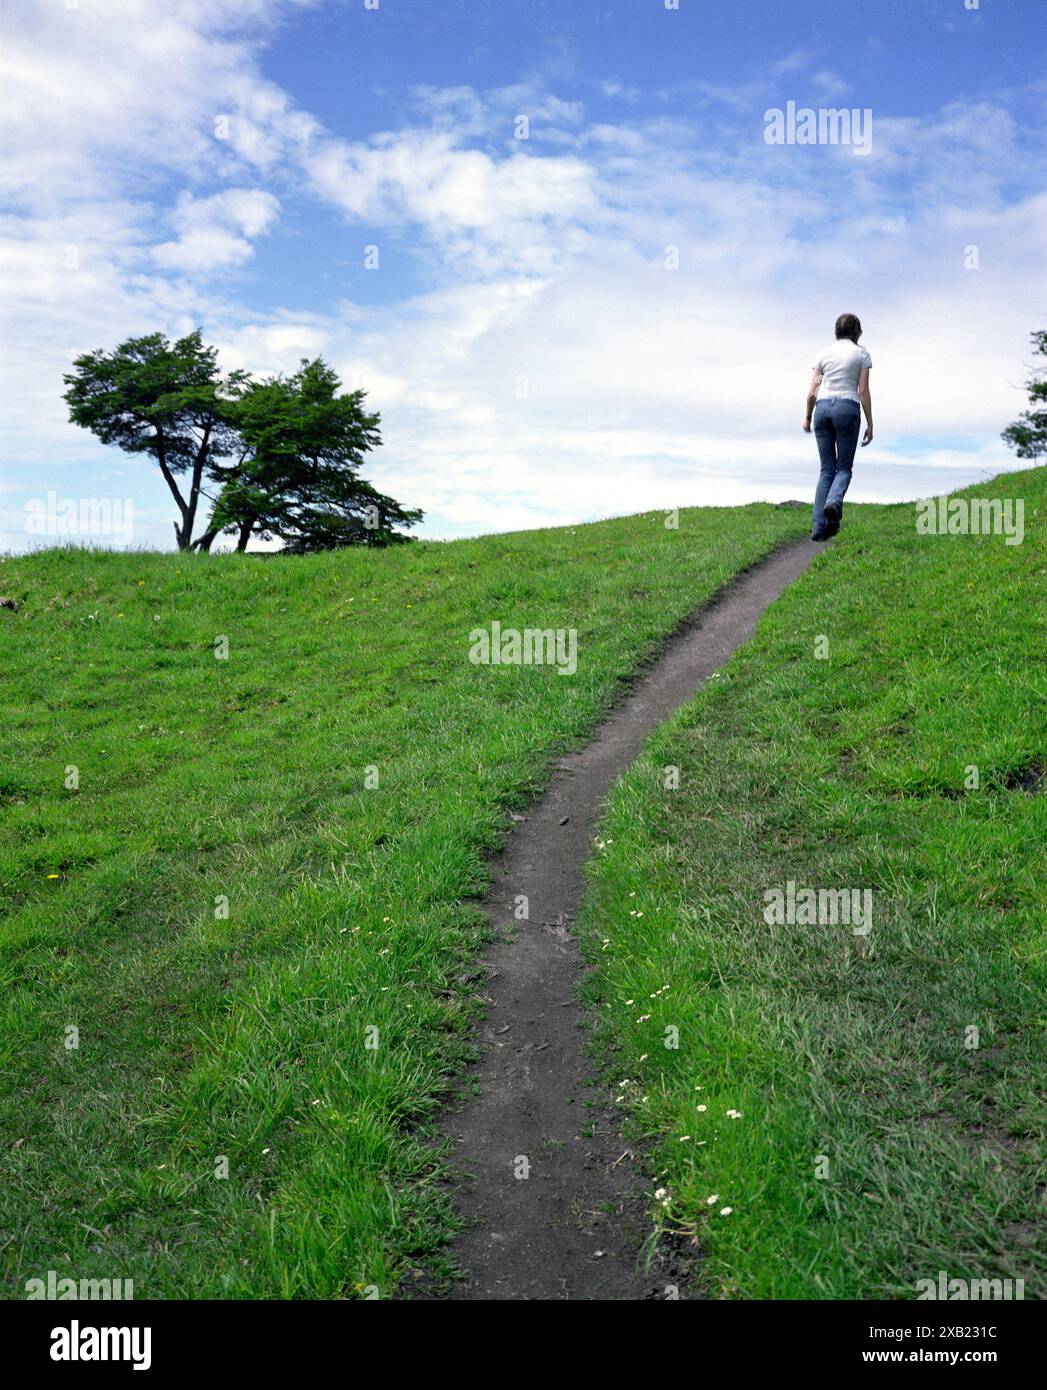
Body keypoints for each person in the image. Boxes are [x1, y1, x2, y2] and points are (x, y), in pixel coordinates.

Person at [804, 313, 873, 540]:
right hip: (847, 408)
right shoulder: (862, 354)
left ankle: (818, 528)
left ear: (836, 331)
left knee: (826, 470)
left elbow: (813, 390)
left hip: (822, 409)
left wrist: (807, 416)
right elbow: (862, 391)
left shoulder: (823, 354)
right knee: (843, 468)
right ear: (857, 332)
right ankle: (834, 502)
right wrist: (870, 423)